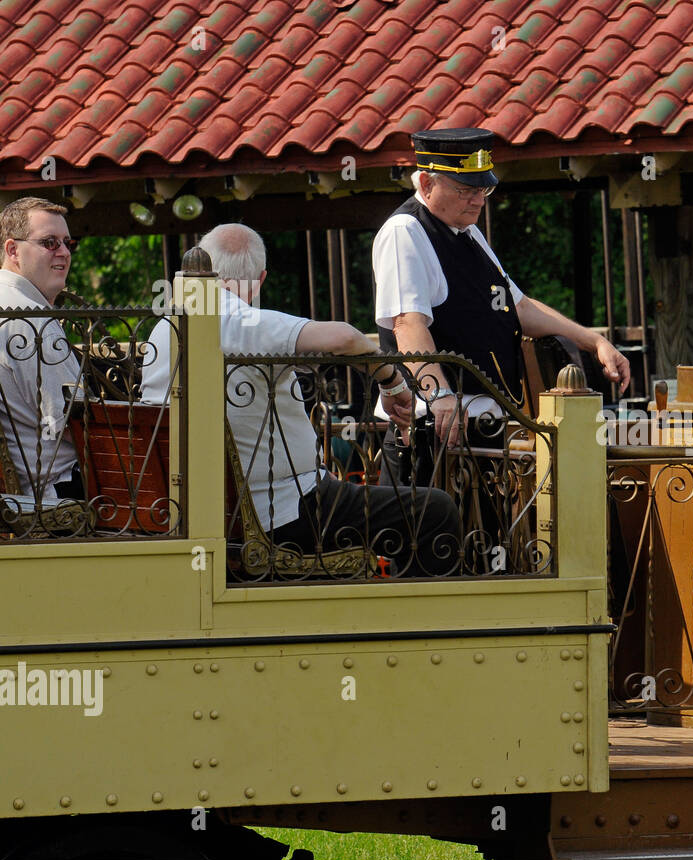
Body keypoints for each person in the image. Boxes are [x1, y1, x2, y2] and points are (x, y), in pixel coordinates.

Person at [142, 224, 461, 575]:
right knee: (435, 509)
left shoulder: (163, 328)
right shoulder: (243, 322)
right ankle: (422, 624)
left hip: (188, 513)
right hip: (284, 513)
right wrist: (392, 381)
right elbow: (347, 338)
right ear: (260, 279)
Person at [371, 127, 630, 455]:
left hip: (478, 426)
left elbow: (518, 307)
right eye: (466, 190)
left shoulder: (467, 231)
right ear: (426, 183)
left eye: (484, 190)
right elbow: (407, 323)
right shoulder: (404, 230)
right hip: (434, 430)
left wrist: (594, 341)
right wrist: (440, 398)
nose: (478, 200)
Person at [0, 197, 82, 500]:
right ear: (13, 250)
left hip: (22, 492)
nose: (63, 252)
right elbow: (71, 422)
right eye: (49, 242)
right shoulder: (31, 320)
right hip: (61, 494)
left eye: (67, 242)